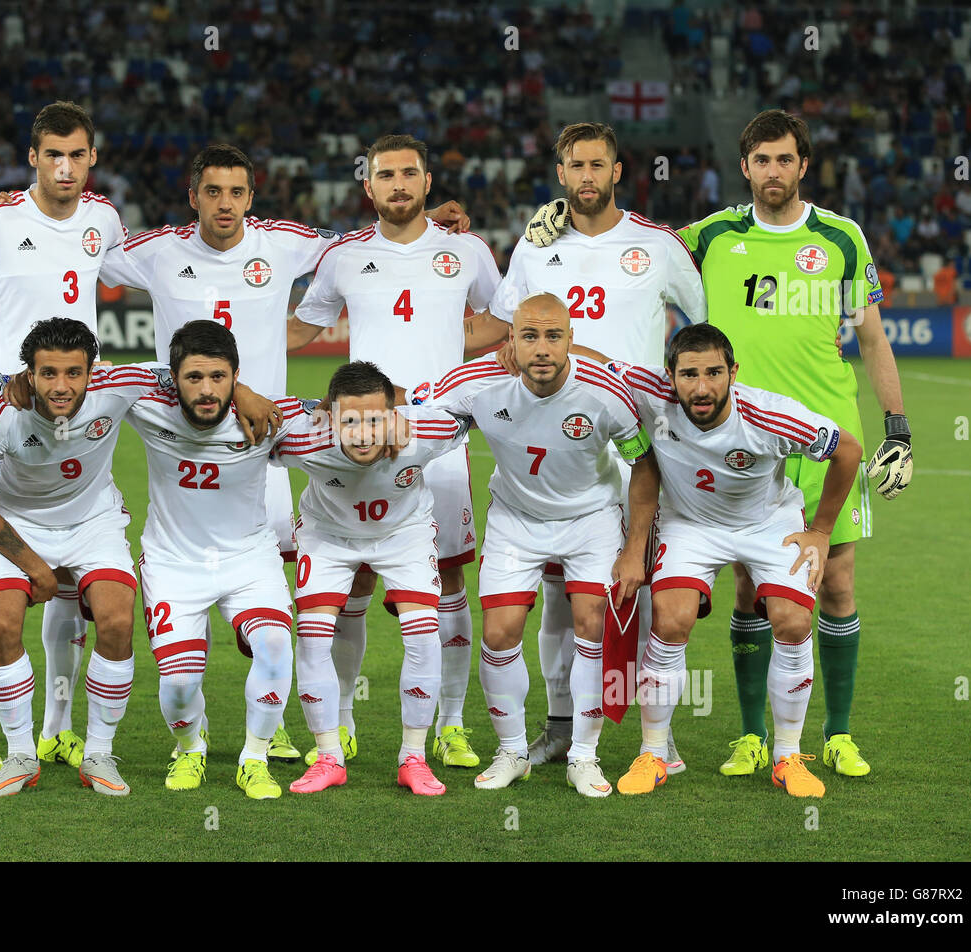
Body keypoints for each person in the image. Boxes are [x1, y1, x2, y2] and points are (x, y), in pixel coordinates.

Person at [92, 142, 470, 762]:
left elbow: (366, 244)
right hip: (190, 429)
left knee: (270, 602)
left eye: (236, 192)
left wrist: (429, 224)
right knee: (196, 596)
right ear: (193, 197)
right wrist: (20, 206)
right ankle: (196, 725)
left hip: (265, 446)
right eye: (212, 192)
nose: (225, 204)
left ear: (251, 196)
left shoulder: (286, 243)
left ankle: (275, 724)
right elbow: (81, 251)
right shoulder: (157, 252)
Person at [677, 110, 911, 778]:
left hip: (826, 439)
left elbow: (871, 338)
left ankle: (836, 734)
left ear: (802, 165)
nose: (772, 171)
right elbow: (636, 253)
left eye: (785, 159)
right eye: (761, 160)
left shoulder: (840, 239)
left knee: (835, 583)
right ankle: (754, 737)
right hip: (738, 443)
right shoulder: (713, 235)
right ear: (744, 166)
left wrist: (897, 429)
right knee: (752, 587)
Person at [288, 133, 506, 770]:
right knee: (351, 580)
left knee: (448, 581)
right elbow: (306, 324)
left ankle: (452, 724)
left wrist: (452, 375)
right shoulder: (345, 256)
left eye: (410, 173)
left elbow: (500, 317)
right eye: (387, 175)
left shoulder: (464, 249)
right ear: (369, 187)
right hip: (357, 436)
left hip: (437, 441)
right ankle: (345, 719)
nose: (400, 185)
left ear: (429, 182)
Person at [0, 101, 133, 778]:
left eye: (77, 154)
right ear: (32, 157)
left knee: (64, 589)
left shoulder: (104, 220)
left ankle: (56, 727)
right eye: (53, 154)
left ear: (92, 157)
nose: (65, 167)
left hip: (71, 413)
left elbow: (158, 266)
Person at [511, 122, 706, 771]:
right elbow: (510, 335)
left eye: (599, 164)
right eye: (576, 165)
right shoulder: (534, 248)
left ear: (618, 171)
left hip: (645, 445)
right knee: (564, 595)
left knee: (652, 589)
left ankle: (659, 735)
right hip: (562, 451)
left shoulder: (657, 244)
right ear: (561, 173)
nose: (587, 175)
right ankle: (561, 725)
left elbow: (702, 331)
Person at [599, 324, 862, 798]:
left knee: (794, 621)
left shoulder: (768, 415)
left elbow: (847, 450)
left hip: (768, 524)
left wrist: (820, 532)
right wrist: (518, 345)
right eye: (690, 374)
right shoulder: (649, 391)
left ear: (733, 372)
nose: (702, 388)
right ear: (670, 376)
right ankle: (654, 753)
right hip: (690, 524)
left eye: (715, 373)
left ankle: (787, 757)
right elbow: (589, 359)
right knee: (671, 618)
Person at [429, 293, 658, 793]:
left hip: (591, 517)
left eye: (553, 335)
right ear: (510, 340)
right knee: (499, 634)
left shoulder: (605, 391)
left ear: (572, 339)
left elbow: (644, 464)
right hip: (516, 518)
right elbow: (415, 415)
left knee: (591, 624)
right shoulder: (475, 384)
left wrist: (634, 547)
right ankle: (512, 751)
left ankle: (584, 755)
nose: (542, 348)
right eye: (529, 336)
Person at [0, 318, 164, 797]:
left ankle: (98, 751)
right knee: (2, 626)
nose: (61, 386)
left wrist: (243, 392)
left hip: (93, 521)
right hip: (17, 523)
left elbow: (191, 369)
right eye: (48, 373)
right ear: (28, 374)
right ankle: (19, 753)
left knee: (116, 621)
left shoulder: (120, 385)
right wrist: (36, 568)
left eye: (74, 373)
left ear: (93, 371)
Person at [271, 361, 472, 796]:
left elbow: (469, 410)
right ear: (329, 417)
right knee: (312, 636)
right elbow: (259, 422)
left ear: (394, 414)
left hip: (404, 534)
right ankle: (329, 757)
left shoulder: (424, 431)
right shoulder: (306, 438)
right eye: (349, 421)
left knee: (422, 636)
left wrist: (417, 405)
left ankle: (413, 758)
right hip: (329, 536)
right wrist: (306, 407)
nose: (362, 434)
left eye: (375, 419)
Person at [127, 321, 308, 800]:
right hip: (172, 565)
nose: (207, 391)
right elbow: (91, 378)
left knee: (274, 648)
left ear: (236, 376)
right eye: (193, 378)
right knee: (181, 683)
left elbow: (348, 410)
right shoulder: (145, 405)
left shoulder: (269, 417)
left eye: (220, 378)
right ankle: (190, 745)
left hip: (249, 559)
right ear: (172, 377)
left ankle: (255, 758)